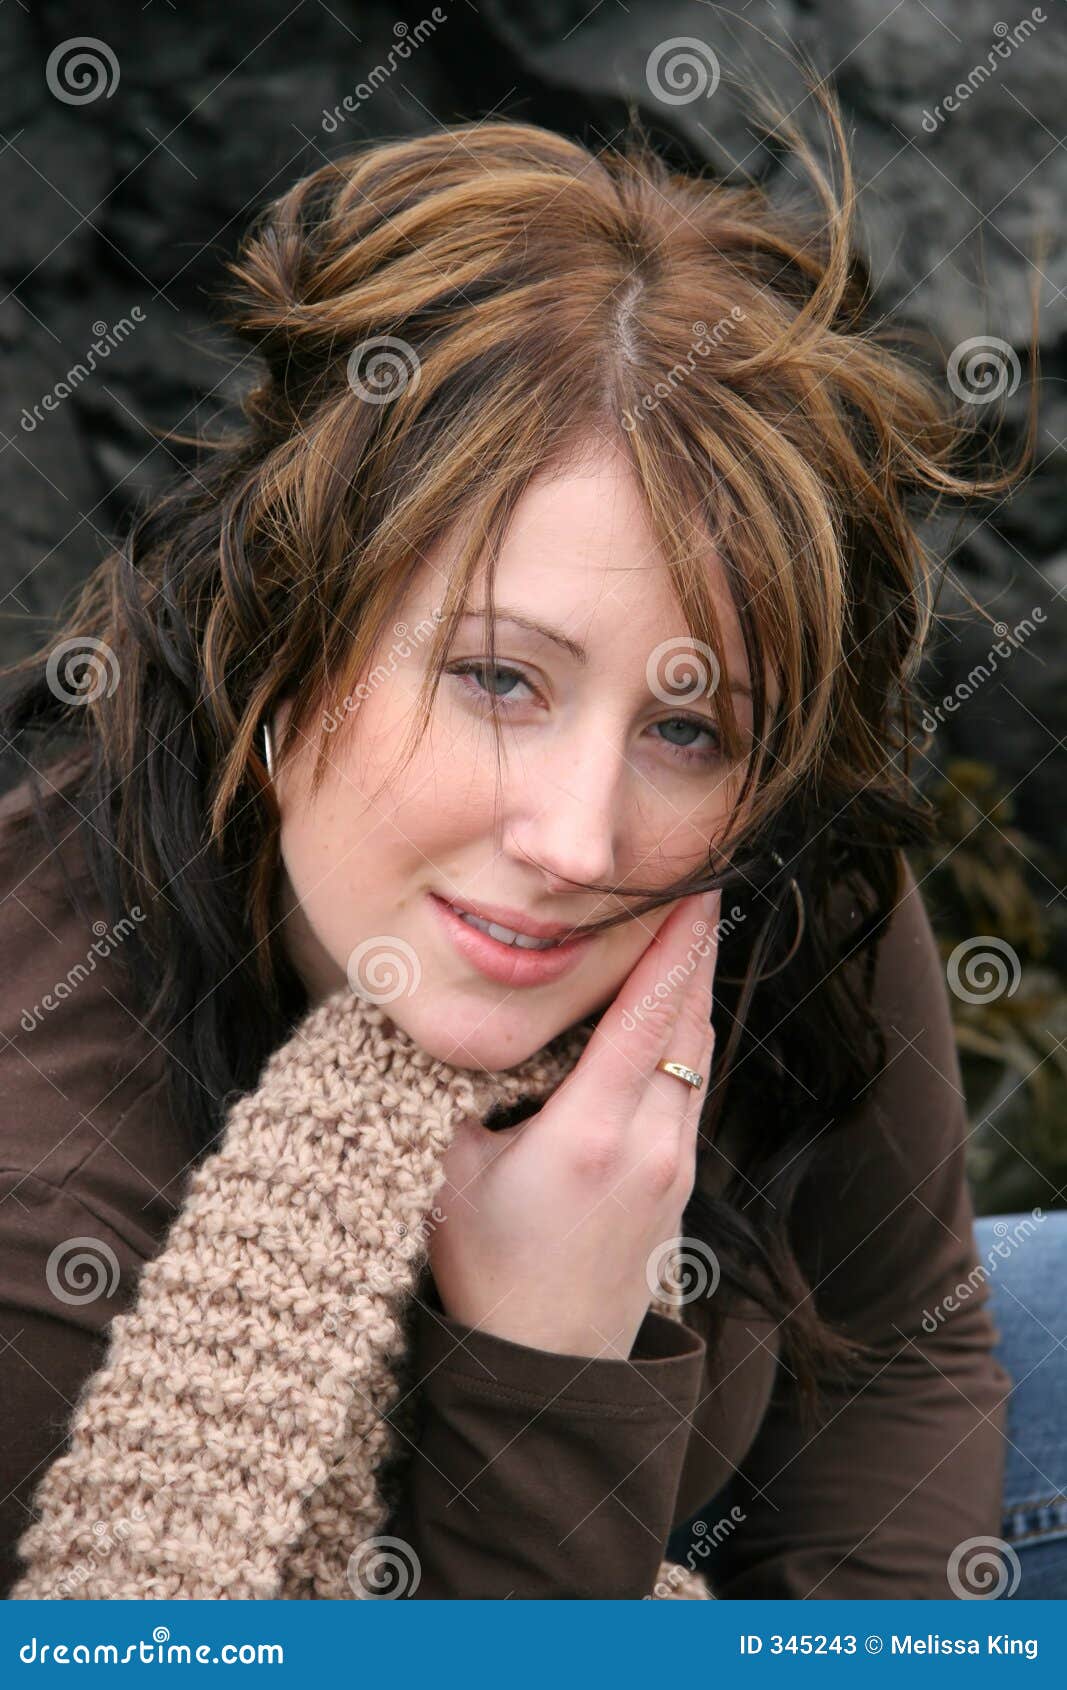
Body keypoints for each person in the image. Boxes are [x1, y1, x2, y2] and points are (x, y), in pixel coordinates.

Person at [0, 79, 1054, 1598]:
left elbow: (902, 1331)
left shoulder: (746, 845)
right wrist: (542, 1358)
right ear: (289, 634)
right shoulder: (51, 1226)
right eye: (500, 678)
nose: (580, 835)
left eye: (687, 726)